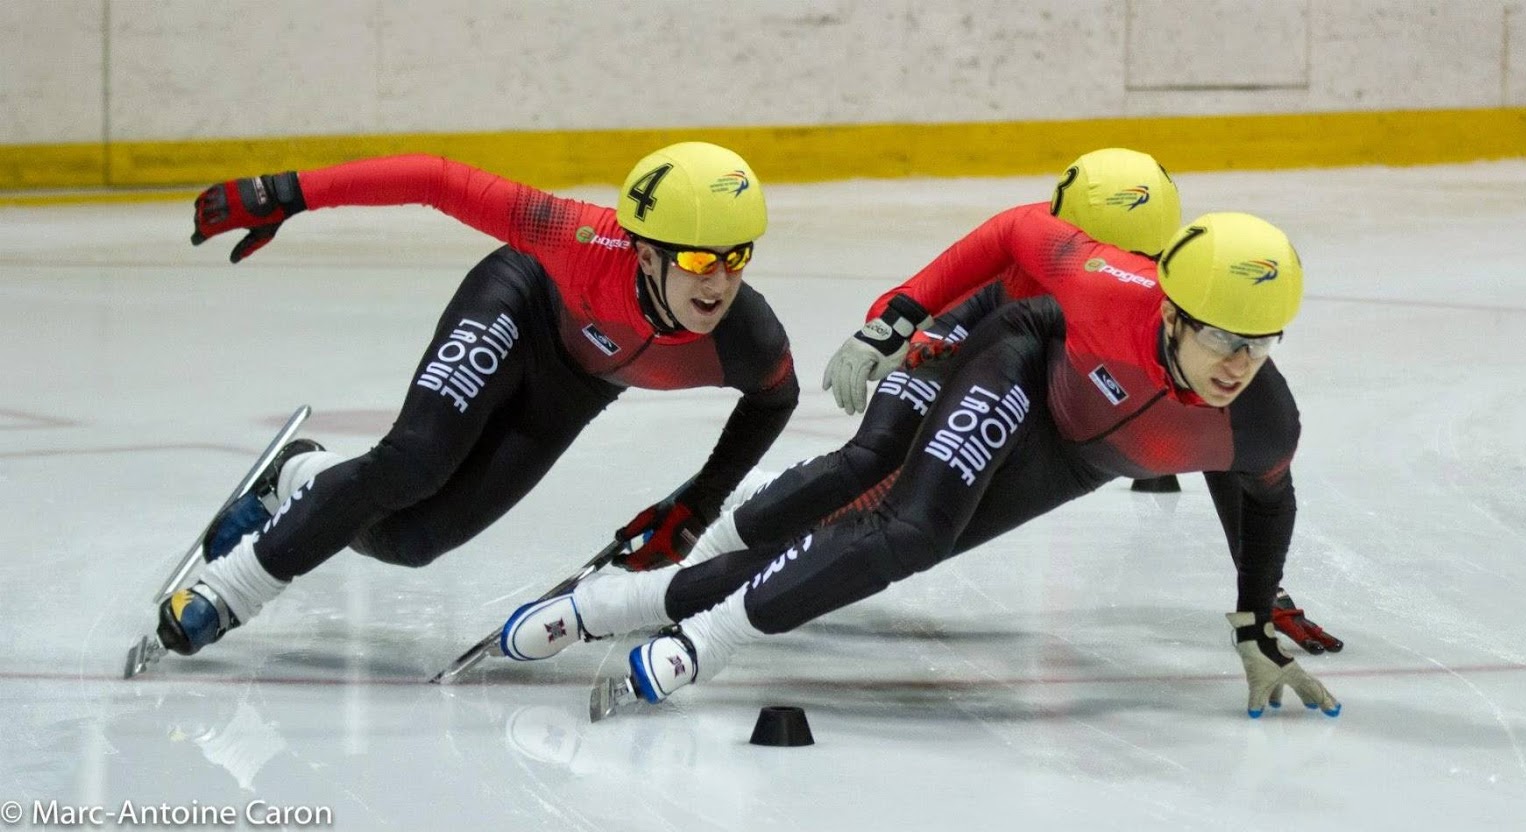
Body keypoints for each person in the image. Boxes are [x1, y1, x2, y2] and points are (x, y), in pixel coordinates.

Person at [502, 208, 1341, 719]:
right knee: (907, 525)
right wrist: (898, 315)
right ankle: (706, 642)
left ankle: (613, 605)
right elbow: (1016, 230)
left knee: (897, 542)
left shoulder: (1263, 420)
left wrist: (1252, 625)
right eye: (1223, 339)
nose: (1239, 365)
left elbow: (1267, 503)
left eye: (1261, 344)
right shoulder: (1101, 285)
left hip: (1076, 460)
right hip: (1022, 363)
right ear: (1173, 314)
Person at [157, 142, 799, 658]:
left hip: (573, 390)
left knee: (413, 541)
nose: (718, 281)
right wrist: (289, 192)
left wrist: (697, 502)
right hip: (518, 305)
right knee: (416, 461)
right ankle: (229, 592)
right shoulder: (574, 238)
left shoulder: (748, 337)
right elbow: (434, 179)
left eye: (735, 256)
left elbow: (776, 400)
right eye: (695, 259)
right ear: (644, 250)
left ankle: (299, 475)